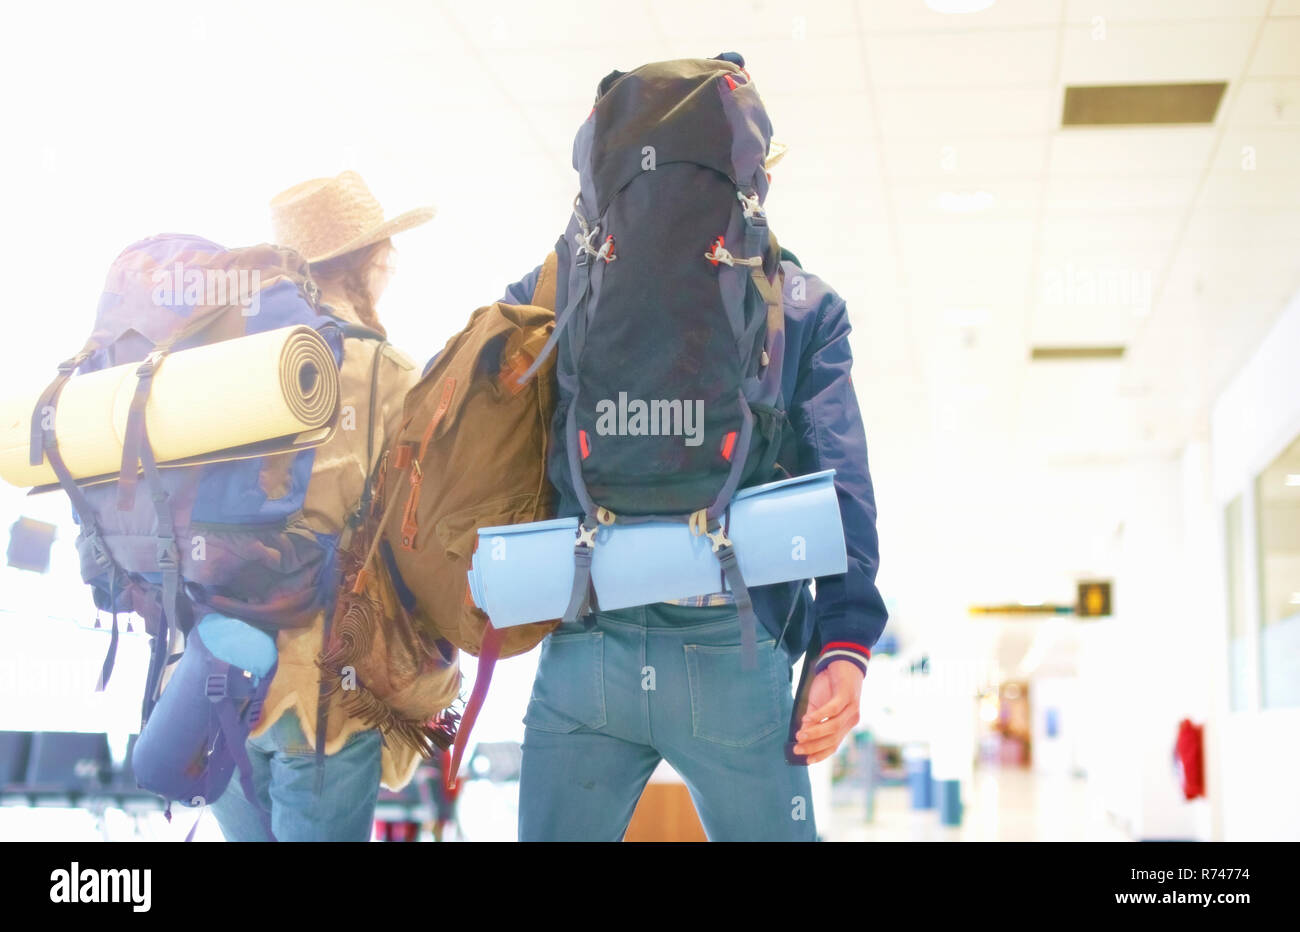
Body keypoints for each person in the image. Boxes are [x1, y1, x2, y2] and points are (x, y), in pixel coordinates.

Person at [499, 55, 888, 842]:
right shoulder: (802, 307)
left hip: (584, 638)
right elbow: (840, 478)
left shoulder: (550, 295)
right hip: (733, 647)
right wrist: (843, 642)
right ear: (755, 177)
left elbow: (488, 454)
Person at [210, 171, 431, 842]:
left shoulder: (228, 363)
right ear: (369, 260)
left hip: (214, 683)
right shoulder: (388, 371)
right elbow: (419, 534)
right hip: (324, 689)